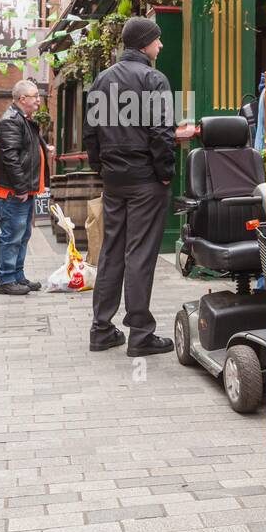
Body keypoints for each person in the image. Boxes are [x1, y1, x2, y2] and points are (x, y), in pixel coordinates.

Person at [84, 17, 194, 356]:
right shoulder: (153, 78)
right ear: (144, 43)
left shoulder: (101, 80)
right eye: (157, 40)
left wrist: (101, 168)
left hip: (115, 179)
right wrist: (164, 173)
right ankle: (140, 334)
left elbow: (91, 133)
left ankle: (101, 329)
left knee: (112, 250)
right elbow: (161, 132)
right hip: (146, 178)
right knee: (141, 254)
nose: (161, 46)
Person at [0, 79, 50, 296]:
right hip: (13, 193)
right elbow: (10, 159)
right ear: (22, 99)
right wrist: (20, 188)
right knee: (12, 235)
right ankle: (6, 279)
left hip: (24, 191)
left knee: (22, 234)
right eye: (35, 96)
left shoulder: (23, 120)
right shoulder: (10, 121)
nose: (38, 99)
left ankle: (17, 275)